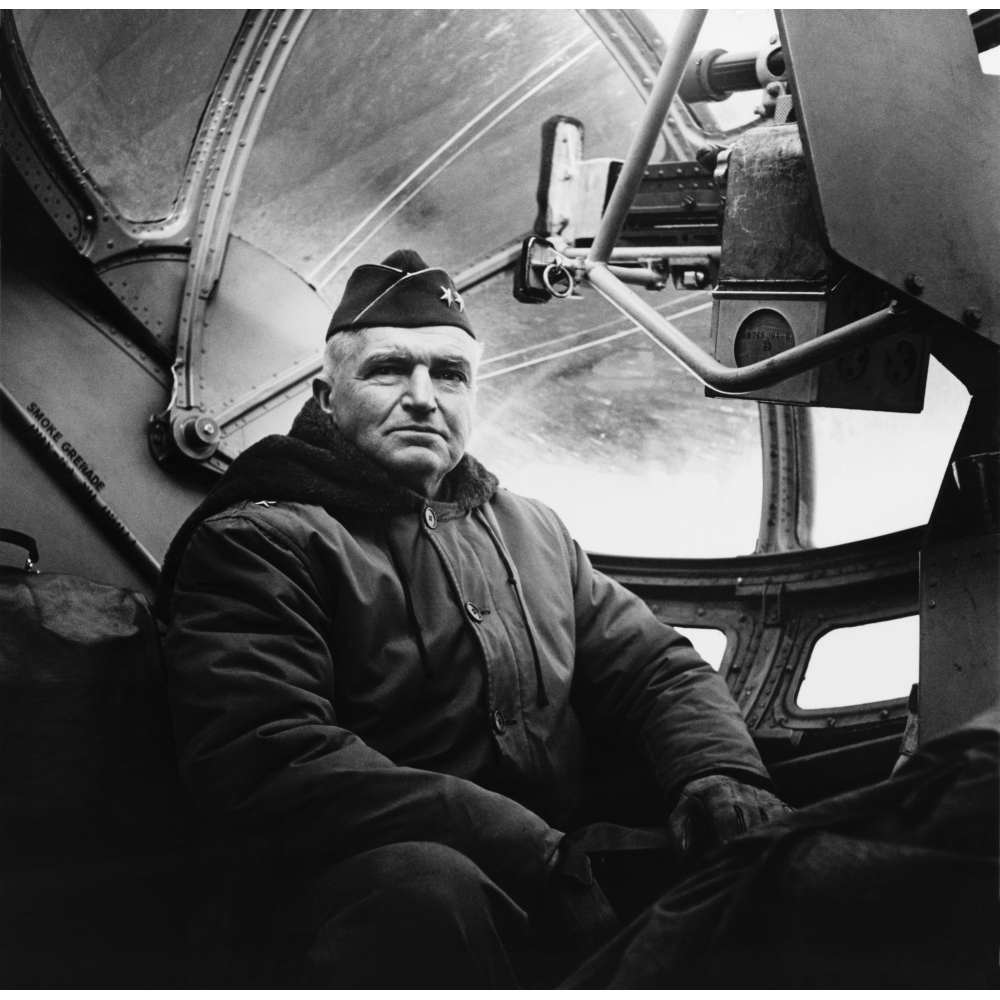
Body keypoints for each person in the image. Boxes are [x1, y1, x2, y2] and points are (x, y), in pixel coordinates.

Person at [159, 249, 790, 988]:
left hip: (549, 861)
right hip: (348, 890)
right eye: (389, 370)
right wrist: (532, 850)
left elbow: (652, 665)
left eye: (450, 374)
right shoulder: (260, 539)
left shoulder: (531, 529)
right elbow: (266, 757)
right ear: (326, 398)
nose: (423, 397)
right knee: (426, 892)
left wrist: (715, 771)